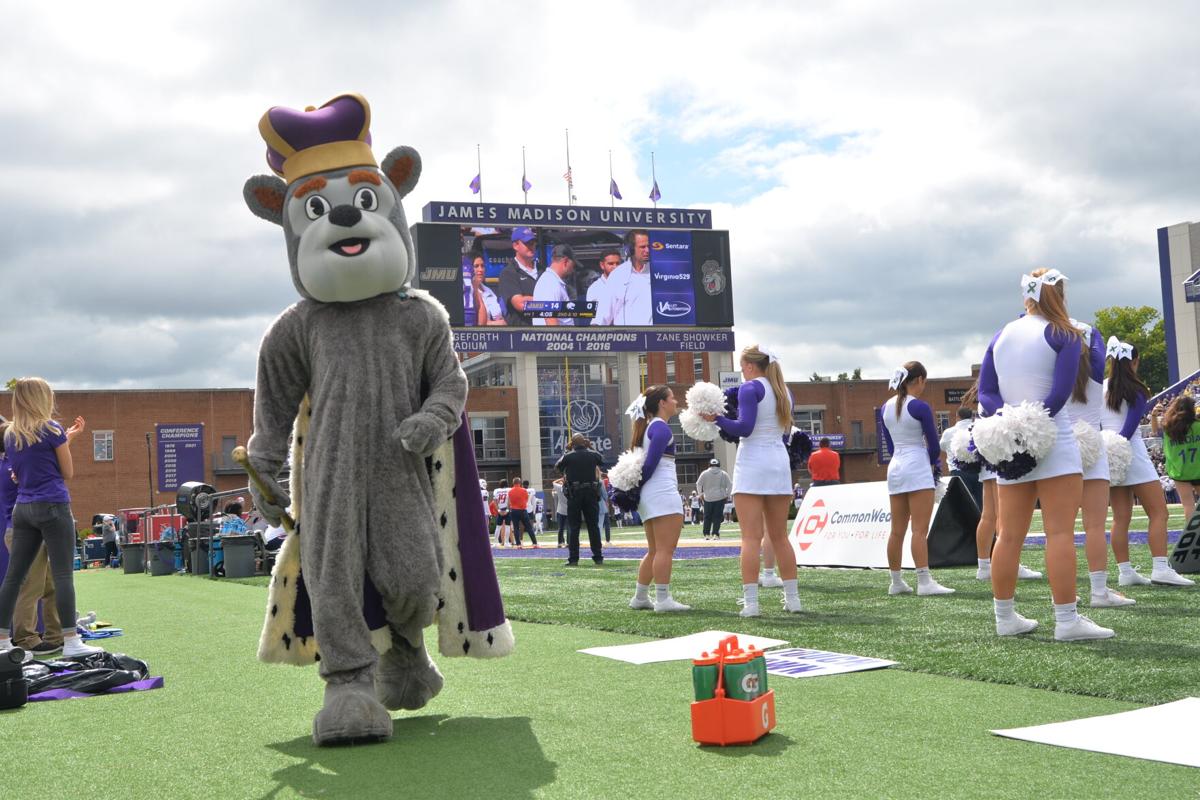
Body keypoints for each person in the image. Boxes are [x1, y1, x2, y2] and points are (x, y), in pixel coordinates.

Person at [979, 268, 1111, 640]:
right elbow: (1061, 392)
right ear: (1059, 295)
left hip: (1011, 443)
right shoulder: (1064, 333)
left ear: (1027, 296)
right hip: (1054, 439)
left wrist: (1011, 423)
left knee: (1008, 536)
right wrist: (1033, 421)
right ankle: (1066, 621)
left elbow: (986, 391)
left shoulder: (1001, 335)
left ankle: (1005, 618)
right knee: (1059, 533)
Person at [0, 377, 104, 659]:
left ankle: (3, 642)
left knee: (14, 578)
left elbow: (22, 471)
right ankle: (70, 641)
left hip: (23, 509)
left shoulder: (10, 435)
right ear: (42, 399)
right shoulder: (51, 428)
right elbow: (66, 472)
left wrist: (64, 439)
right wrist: (65, 440)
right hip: (53, 506)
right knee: (62, 575)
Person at [704, 345, 802, 616]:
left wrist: (717, 419)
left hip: (753, 463)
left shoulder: (750, 388)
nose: (741, 371)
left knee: (750, 538)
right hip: (778, 463)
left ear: (749, 366)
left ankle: (752, 604)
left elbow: (744, 428)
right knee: (780, 537)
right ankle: (793, 600)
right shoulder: (784, 391)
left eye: (742, 366)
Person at [1103, 340, 1194, 587]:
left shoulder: (1101, 388)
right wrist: (1119, 448)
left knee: (1120, 517)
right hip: (1131, 453)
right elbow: (1130, 427)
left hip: (1110, 453)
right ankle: (1160, 568)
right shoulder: (1137, 389)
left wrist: (1109, 451)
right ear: (1135, 361)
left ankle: (1125, 572)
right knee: (1159, 513)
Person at [1068, 320, 1131, 607]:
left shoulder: (1052, 376)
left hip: (1062, 450)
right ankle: (1099, 592)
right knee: (1095, 527)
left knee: (1060, 530)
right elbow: (1099, 342)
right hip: (1093, 449)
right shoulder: (1095, 372)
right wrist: (1089, 330)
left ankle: (1065, 593)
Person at [880, 362, 956, 598]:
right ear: (920, 380)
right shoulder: (920, 406)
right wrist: (932, 465)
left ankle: (896, 581)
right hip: (917, 465)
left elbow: (890, 446)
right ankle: (924, 581)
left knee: (896, 531)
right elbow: (933, 446)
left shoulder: (885, 407)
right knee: (919, 530)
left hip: (896, 467)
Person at [1, 417, 62, 658]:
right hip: (24, 531)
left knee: (50, 585)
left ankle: (55, 636)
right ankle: (26, 638)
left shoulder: (13, 464)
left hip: (31, 529)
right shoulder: (11, 468)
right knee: (31, 587)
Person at [627, 386, 689, 611]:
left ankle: (640, 598)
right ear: (662, 403)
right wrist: (634, 487)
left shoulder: (649, 427)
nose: (675, 401)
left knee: (654, 550)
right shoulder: (660, 428)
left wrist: (636, 490)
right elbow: (650, 465)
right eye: (672, 397)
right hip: (662, 494)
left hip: (651, 497)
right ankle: (663, 599)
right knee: (665, 550)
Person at [555, 434, 605, 565]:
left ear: (572, 443)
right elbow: (602, 460)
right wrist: (591, 447)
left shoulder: (568, 456)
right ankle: (598, 557)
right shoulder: (593, 454)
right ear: (584, 442)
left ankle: (573, 559)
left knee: (574, 526)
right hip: (591, 493)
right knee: (593, 526)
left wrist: (567, 450)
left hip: (574, 494)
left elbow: (558, 466)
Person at [1156, 394, 1200, 516]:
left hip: (1179, 470)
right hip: (1198, 468)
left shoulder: (1168, 428)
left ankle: (1191, 528)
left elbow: (1155, 430)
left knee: (1188, 504)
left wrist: (1154, 415)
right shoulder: (1198, 426)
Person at [600, 229, 653, 326]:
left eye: (649, 246)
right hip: (626, 334)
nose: (647, 250)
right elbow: (603, 314)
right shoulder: (617, 275)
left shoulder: (658, 272)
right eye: (642, 247)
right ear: (630, 249)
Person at [496, 227, 541, 326]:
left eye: (533, 242)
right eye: (527, 243)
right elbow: (521, 304)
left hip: (547, 330)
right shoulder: (508, 273)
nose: (532, 246)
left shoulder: (543, 270)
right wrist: (549, 302)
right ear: (515, 245)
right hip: (522, 331)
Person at [940, 407, 981, 510]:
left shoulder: (948, 432)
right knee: (981, 504)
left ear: (957, 416)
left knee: (962, 506)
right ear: (971, 416)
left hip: (957, 471)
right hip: (978, 470)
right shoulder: (978, 429)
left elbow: (942, 447)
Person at [531, 245, 579, 327]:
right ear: (566, 261)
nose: (572, 269)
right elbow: (550, 319)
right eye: (573, 265)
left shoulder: (552, 280)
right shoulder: (549, 282)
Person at [464, 255, 507, 326]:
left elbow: (499, 316)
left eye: (482, 266)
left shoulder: (488, 290)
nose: (480, 270)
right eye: (476, 266)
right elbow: (478, 323)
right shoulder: (467, 292)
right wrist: (494, 324)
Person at [696, 458, 732, 541]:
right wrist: (727, 495)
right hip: (720, 497)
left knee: (707, 517)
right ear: (718, 465)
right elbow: (730, 485)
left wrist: (700, 494)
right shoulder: (723, 473)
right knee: (717, 517)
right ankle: (715, 534)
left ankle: (706, 534)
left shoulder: (704, 473)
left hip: (708, 498)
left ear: (709, 464)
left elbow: (698, 484)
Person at [585, 248, 622, 327]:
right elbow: (595, 316)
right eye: (611, 264)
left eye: (618, 263)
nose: (615, 267)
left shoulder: (627, 284)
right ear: (602, 265)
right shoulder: (594, 289)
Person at [507, 477, 536, 548]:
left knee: (516, 528)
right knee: (529, 527)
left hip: (514, 510)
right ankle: (535, 543)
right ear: (520, 483)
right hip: (522, 510)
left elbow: (509, 502)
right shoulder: (524, 490)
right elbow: (526, 500)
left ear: (513, 483)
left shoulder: (510, 491)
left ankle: (518, 544)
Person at [492, 478, 512, 547]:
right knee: (507, 526)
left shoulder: (496, 490)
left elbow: (494, 501)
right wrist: (508, 509)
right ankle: (506, 542)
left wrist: (498, 510)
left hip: (500, 509)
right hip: (507, 509)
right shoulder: (509, 489)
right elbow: (510, 500)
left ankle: (495, 542)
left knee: (498, 527)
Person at [553, 478, 568, 547]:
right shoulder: (571, 489)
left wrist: (560, 479)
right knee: (569, 528)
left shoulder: (559, 488)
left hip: (560, 511)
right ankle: (569, 542)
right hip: (568, 511)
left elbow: (553, 482)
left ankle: (560, 542)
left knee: (560, 528)